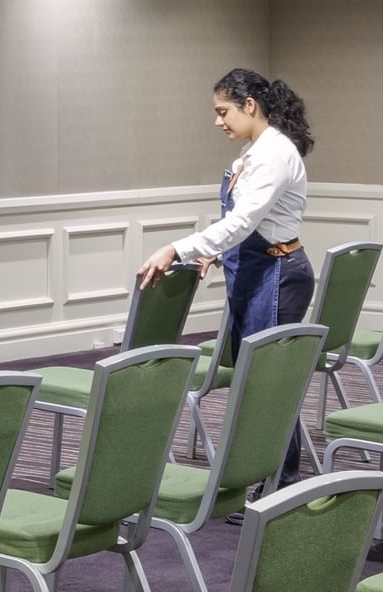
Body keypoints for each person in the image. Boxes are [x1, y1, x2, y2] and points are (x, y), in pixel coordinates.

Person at [137, 67, 316, 493]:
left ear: (249, 105)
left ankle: (280, 484)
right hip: (255, 269)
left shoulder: (273, 153)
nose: (218, 121)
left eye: (223, 111)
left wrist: (177, 249)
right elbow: (247, 226)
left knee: (269, 385)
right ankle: (266, 479)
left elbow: (243, 221)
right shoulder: (255, 150)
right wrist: (216, 252)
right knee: (257, 380)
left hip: (275, 273)